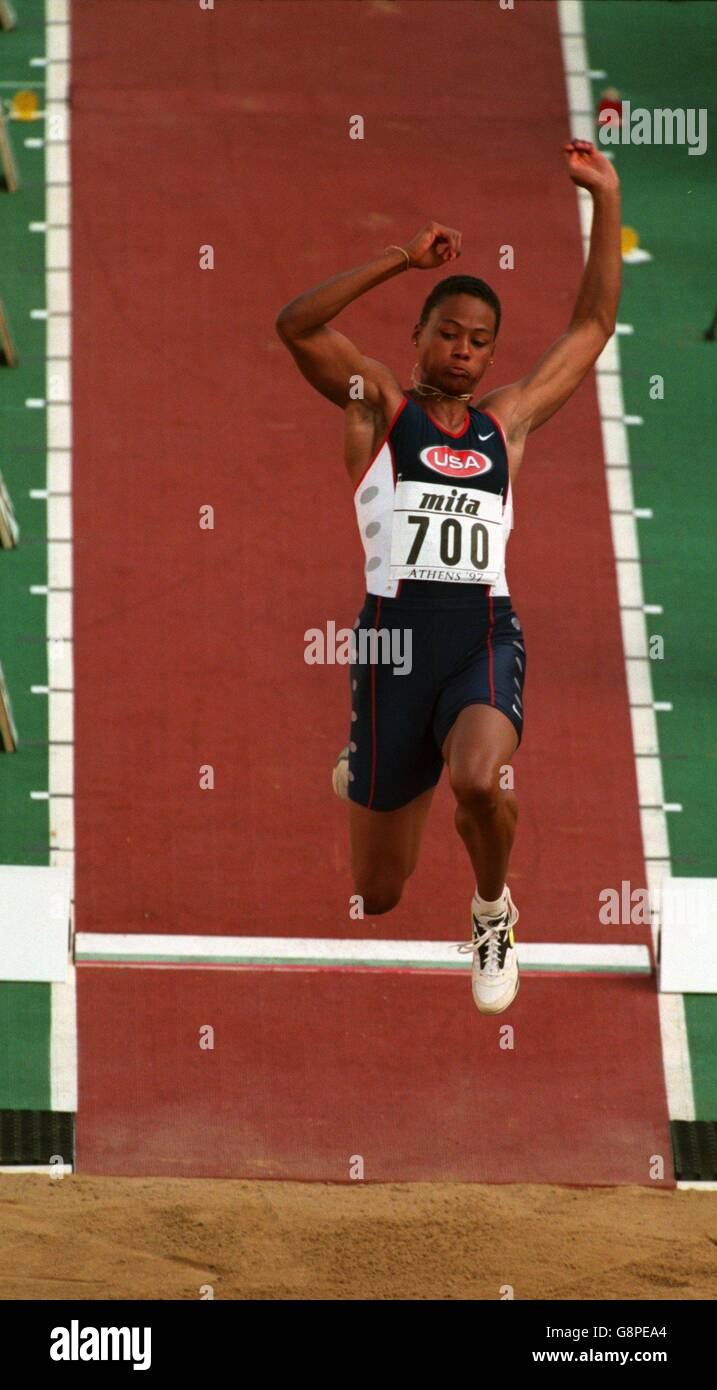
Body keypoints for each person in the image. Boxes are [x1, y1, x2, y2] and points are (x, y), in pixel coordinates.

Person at [276, 140, 621, 1014]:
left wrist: (605, 201)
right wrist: (399, 256)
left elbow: (588, 331)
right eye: (448, 335)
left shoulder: (506, 424)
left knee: (476, 780)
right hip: (390, 650)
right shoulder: (377, 409)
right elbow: (297, 327)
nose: (464, 353)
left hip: (481, 640)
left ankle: (492, 912)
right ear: (418, 336)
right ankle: (374, 758)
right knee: (379, 892)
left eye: (479, 342)